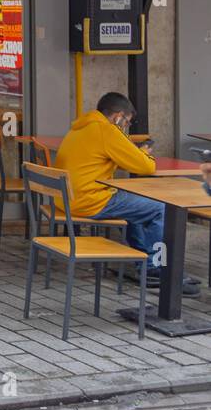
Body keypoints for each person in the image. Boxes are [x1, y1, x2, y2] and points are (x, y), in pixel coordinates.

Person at [55, 92, 199, 295]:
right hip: (90, 199)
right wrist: (141, 153)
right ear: (118, 116)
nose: (125, 127)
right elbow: (146, 167)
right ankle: (157, 269)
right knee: (161, 207)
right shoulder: (106, 130)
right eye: (127, 122)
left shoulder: (80, 127)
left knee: (140, 206)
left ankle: (145, 264)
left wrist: (132, 151)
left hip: (68, 199)